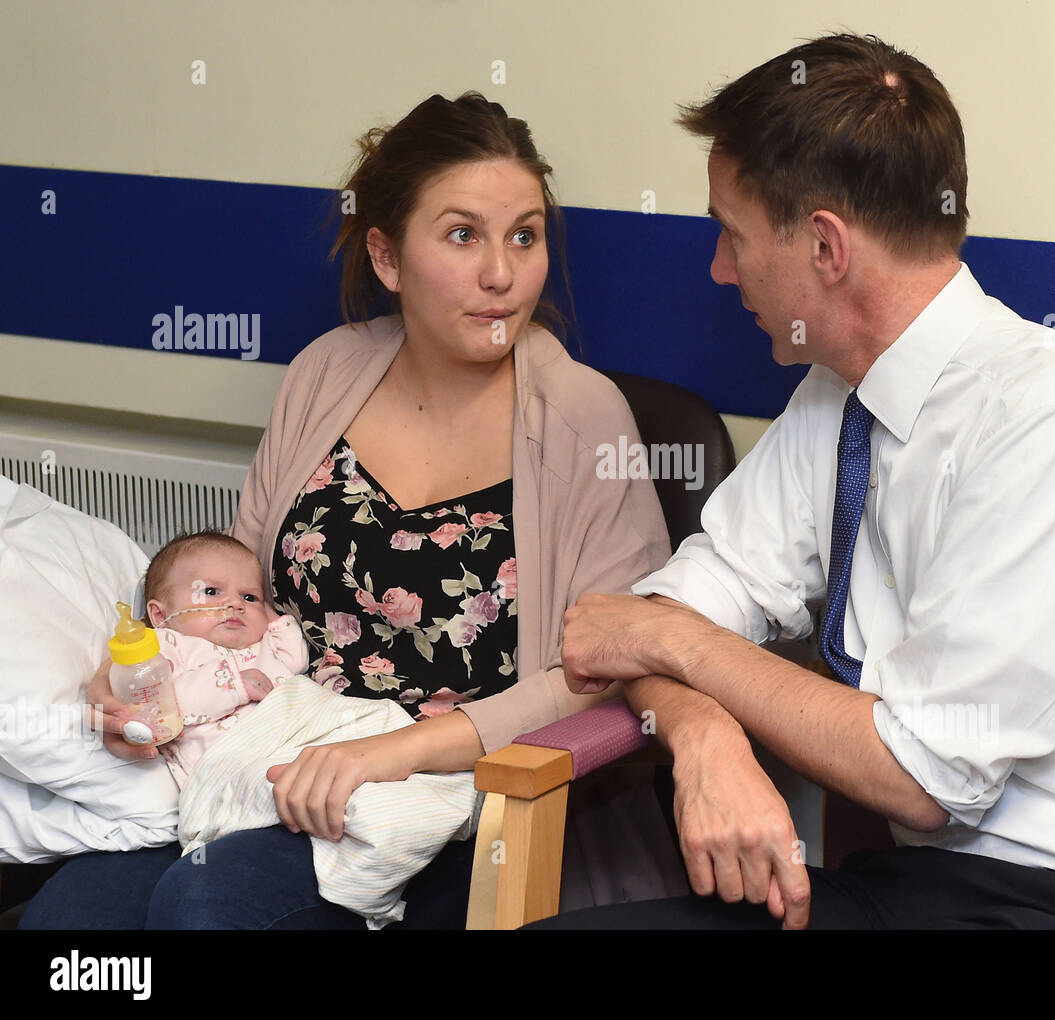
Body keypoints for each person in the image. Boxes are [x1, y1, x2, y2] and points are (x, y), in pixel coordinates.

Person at [550, 33, 1055, 930]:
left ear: (825, 246)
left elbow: (923, 777)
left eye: (730, 232)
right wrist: (701, 734)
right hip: (929, 895)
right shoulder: (837, 398)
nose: (718, 266)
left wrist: (679, 650)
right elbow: (672, 610)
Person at [21, 91, 673, 930]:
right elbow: (239, 587)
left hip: (451, 801)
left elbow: (608, 675)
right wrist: (141, 690)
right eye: (463, 234)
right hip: (267, 756)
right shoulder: (326, 372)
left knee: (210, 906)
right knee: (68, 924)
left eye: (525, 234)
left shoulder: (584, 419)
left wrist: (387, 754)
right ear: (388, 257)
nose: (502, 274)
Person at [139, 531, 309, 785]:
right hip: (230, 772)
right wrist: (236, 684)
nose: (234, 603)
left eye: (249, 597)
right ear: (159, 614)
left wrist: (266, 616)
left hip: (298, 750)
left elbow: (297, 658)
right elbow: (168, 705)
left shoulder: (263, 644)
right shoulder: (168, 645)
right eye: (211, 591)